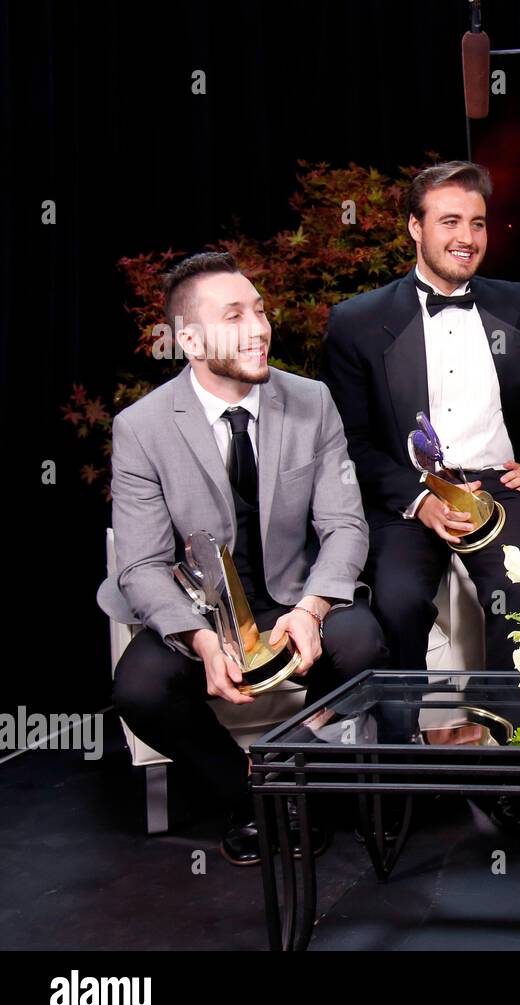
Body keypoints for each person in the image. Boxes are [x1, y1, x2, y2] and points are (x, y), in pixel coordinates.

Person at [98, 252, 388, 867]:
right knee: (140, 688)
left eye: (259, 310)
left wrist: (312, 610)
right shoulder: (142, 427)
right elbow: (142, 564)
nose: (259, 327)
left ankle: (291, 765)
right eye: (235, 316)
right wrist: (201, 640)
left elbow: (343, 525)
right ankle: (250, 792)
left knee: (363, 644)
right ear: (189, 338)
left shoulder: (312, 401)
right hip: (203, 607)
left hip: (294, 593)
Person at [321, 161, 520, 832]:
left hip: (501, 483)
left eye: (477, 223)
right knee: (401, 601)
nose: (466, 237)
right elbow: (350, 439)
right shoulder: (358, 321)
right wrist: (417, 499)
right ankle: (403, 777)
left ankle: (510, 769)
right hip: (411, 496)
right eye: (449, 222)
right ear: (414, 228)